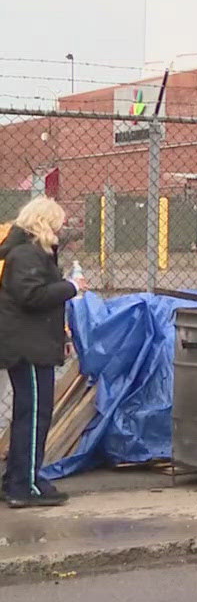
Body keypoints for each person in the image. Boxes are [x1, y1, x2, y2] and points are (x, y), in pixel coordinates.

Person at [0, 196, 87, 508]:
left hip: (30, 344)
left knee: (28, 414)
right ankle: (26, 486)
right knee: (35, 415)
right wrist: (71, 287)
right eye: (58, 224)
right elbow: (33, 297)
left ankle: (17, 480)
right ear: (44, 224)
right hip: (30, 349)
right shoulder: (27, 255)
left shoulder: (27, 253)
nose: (61, 230)